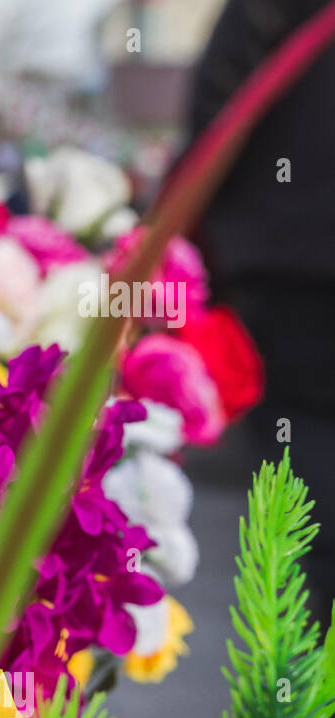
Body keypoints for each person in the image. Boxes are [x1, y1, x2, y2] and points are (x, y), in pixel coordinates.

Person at [188, 0, 335, 614]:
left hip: (284, 281)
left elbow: (211, 137)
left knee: (302, 528)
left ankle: (301, 690)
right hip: (286, 285)